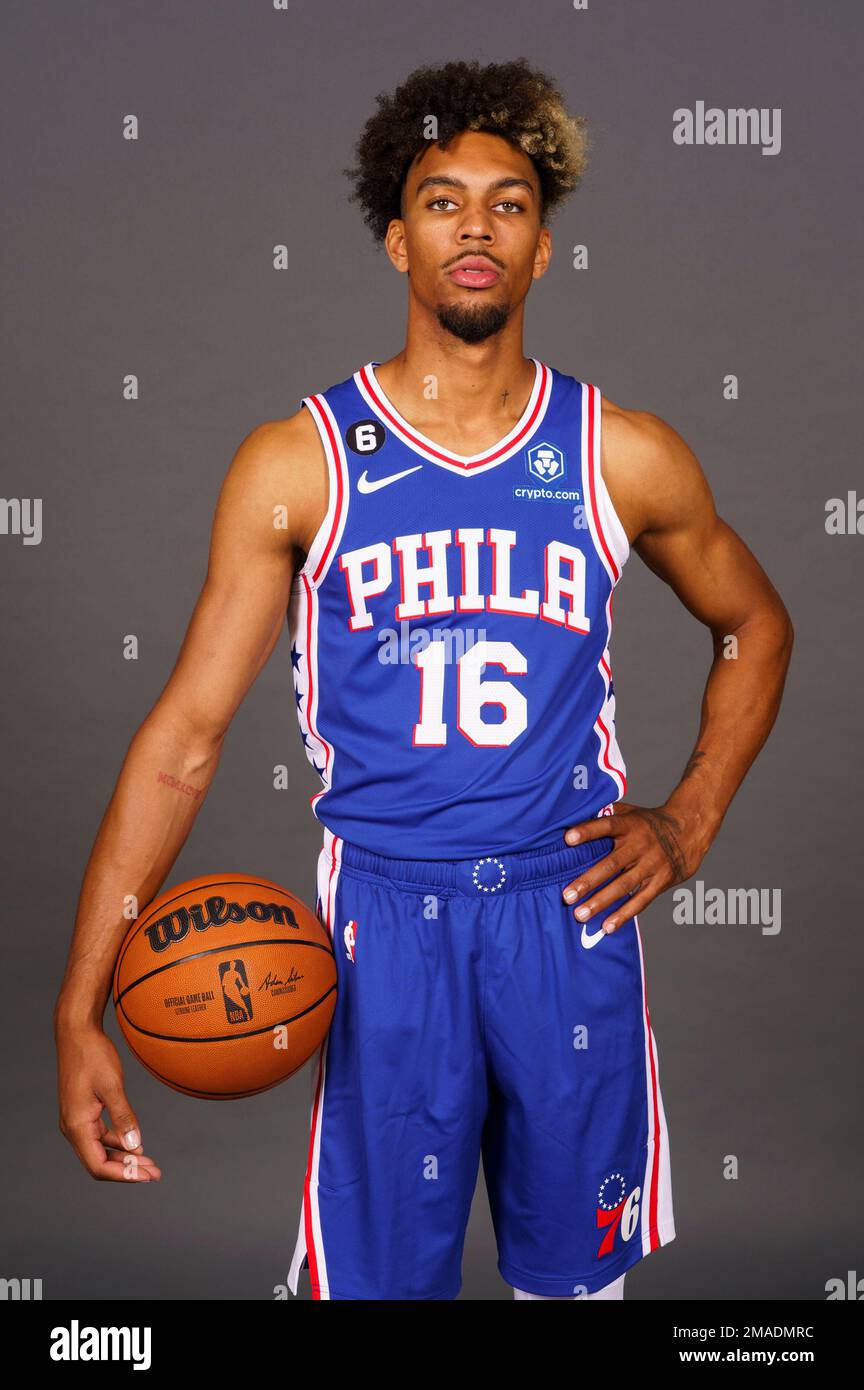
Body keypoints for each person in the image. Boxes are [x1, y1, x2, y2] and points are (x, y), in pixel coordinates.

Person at [55, 59, 793, 1301]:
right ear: (397, 237)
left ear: (543, 248)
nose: (475, 226)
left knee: (578, 1289)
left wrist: (692, 816)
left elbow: (755, 625)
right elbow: (185, 737)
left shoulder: (621, 452)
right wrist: (81, 1008)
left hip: (573, 912)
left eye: (508, 203)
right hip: (382, 924)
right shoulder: (300, 463)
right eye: (443, 200)